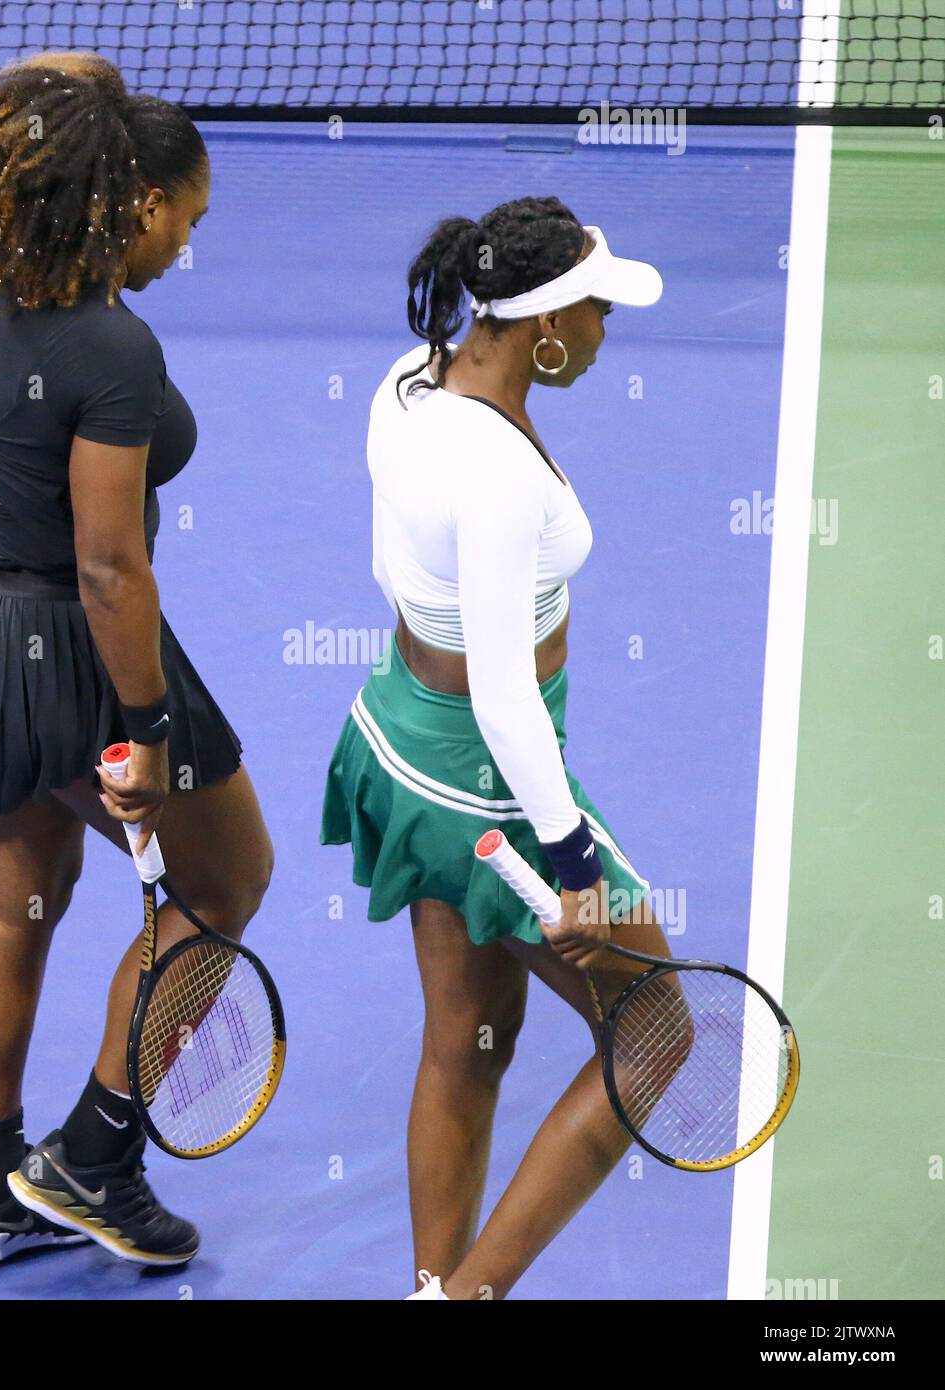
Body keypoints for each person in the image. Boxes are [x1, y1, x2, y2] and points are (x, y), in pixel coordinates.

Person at [0, 51, 273, 1268]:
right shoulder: (107, 357)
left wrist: (89, 91)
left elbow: (42, 91)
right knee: (224, 884)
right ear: (134, 204)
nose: (187, 240)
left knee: (13, 895)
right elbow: (110, 568)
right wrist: (144, 732)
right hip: (60, 647)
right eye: (186, 215)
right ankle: (94, 1155)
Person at [321, 196, 669, 1300]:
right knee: (655, 1029)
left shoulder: (407, 378)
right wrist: (569, 868)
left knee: (465, 1038)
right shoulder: (500, 478)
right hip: (487, 780)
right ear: (545, 328)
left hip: (398, 736)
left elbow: (399, 575)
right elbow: (509, 697)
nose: (609, 329)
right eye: (597, 310)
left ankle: (430, 1289)